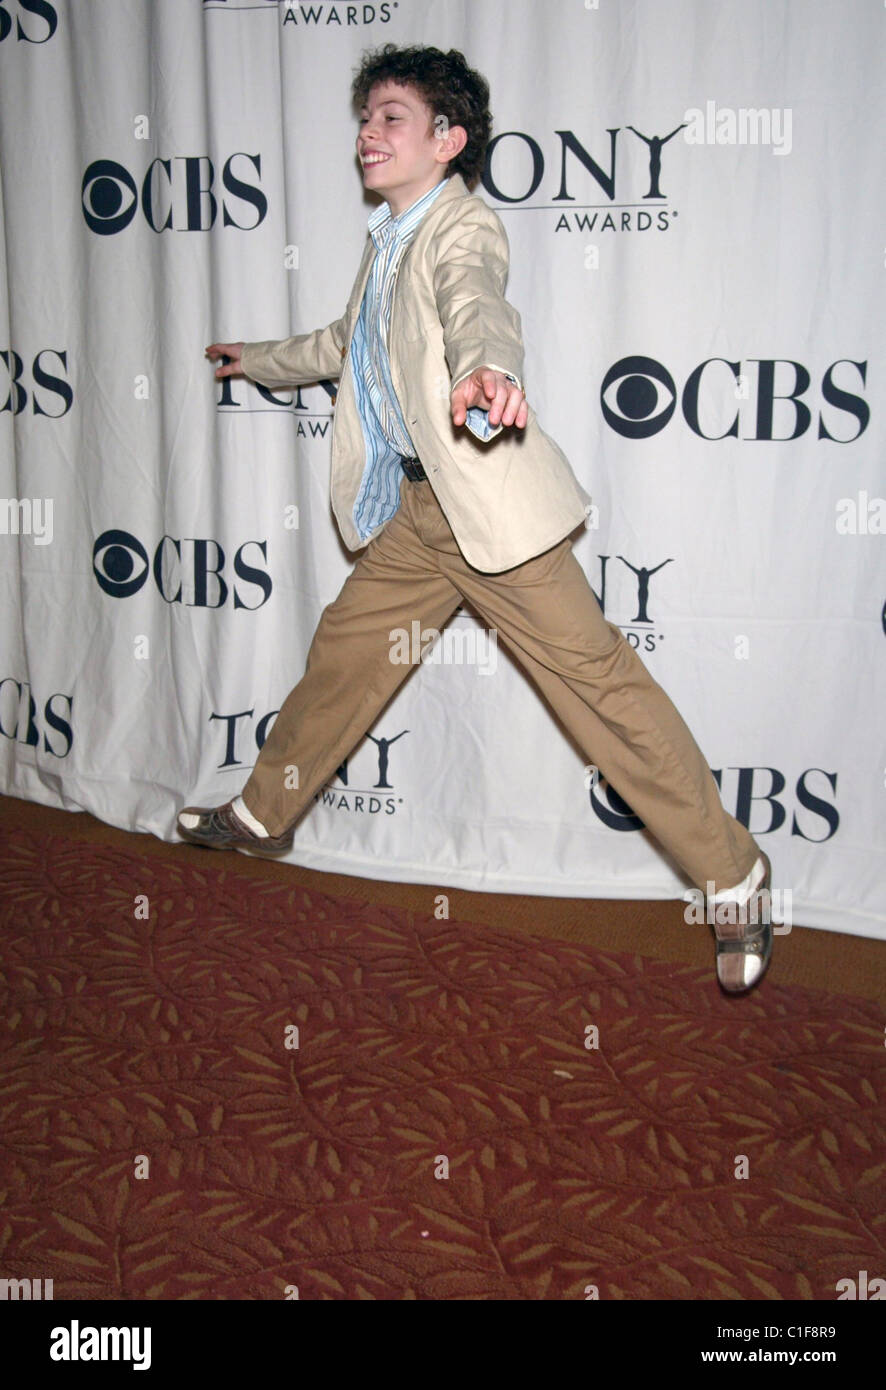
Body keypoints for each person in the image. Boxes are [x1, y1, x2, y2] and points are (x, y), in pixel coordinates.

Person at [178, 43, 774, 995]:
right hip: (416, 517)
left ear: (448, 142)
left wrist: (483, 371)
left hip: (489, 515)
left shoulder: (460, 229)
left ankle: (735, 879)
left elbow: (475, 306)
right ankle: (260, 814)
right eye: (366, 117)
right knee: (343, 659)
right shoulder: (387, 243)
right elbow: (344, 343)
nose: (369, 133)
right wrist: (256, 359)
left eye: (393, 118)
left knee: (605, 697)